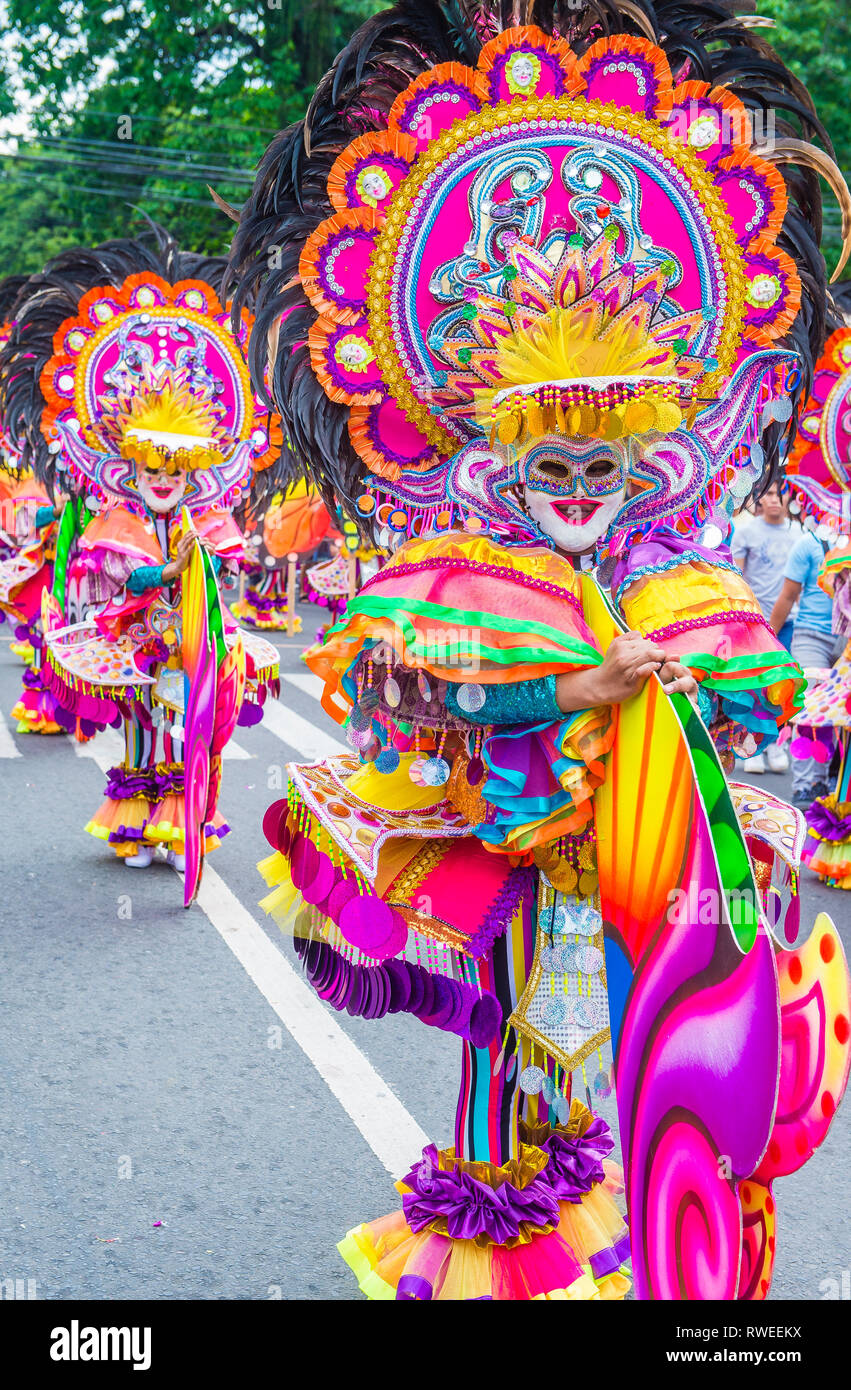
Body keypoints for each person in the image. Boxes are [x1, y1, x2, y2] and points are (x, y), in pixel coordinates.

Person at [230, 0, 850, 1301]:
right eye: (551, 463)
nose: (578, 488)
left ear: (648, 462)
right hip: (510, 850)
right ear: (501, 460)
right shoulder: (463, 571)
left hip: (611, 862)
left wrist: (702, 716)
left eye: (603, 464)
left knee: (578, 1064)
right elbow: (439, 692)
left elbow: (728, 704)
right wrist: (581, 684)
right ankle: (492, 1255)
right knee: (519, 1057)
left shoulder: (656, 572)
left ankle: (574, 1236)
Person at [0, 225, 282, 900]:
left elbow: (226, 572)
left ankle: (183, 823)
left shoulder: (204, 519)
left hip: (194, 646)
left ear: (198, 473)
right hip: (133, 647)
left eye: (177, 469)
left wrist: (203, 573)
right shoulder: (116, 520)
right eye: (152, 467)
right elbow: (114, 580)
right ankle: (138, 825)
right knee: (144, 734)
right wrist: (165, 575)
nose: (163, 480)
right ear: (129, 467)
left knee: (192, 733)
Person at [770, 527, 843, 805]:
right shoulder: (808, 543)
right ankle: (806, 786)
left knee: (841, 716)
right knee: (810, 711)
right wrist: (769, 643)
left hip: (846, 641)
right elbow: (788, 596)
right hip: (811, 636)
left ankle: (832, 783)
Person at [731, 483, 800, 773]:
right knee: (755, 685)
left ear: (787, 498)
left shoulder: (797, 533)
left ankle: (776, 746)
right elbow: (736, 577)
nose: (774, 499)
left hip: (788, 622)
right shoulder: (746, 531)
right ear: (760, 499)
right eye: (768, 494)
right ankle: (751, 748)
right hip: (754, 622)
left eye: (779, 493)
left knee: (781, 685)